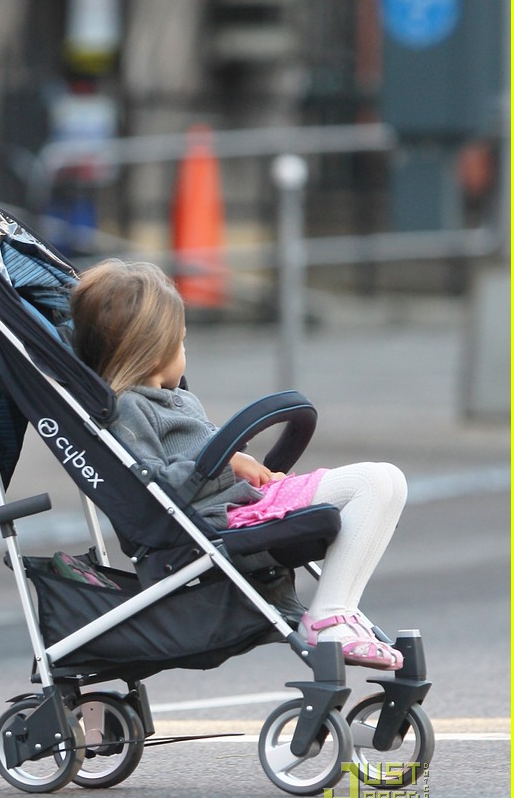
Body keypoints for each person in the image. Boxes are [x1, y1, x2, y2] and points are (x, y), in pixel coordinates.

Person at [70, 258, 406, 671]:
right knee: (374, 483)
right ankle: (329, 617)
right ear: (155, 351)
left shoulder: (179, 399)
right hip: (222, 517)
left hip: (248, 501)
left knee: (388, 482)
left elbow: (209, 454)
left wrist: (246, 467)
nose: (184, 353)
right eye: (181, 343)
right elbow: (149, 486)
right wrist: (227, 463)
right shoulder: (129, 408)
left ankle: (341, 611)